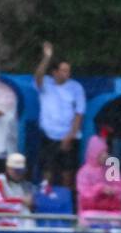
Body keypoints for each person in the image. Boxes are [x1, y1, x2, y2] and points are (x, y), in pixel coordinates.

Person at [32, 44, 83, 188]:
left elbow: (79, 113)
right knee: (47, 170)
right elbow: (38, 76)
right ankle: (46, 200)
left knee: (68, 172)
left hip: (69, 137)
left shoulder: (76, 87)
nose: (67, 74)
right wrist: (47, 57)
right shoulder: (46, 84)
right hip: (49, 136)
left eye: (68, 71)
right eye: (63, 70)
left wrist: (70, 136)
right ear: (54, 72)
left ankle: (65, 202)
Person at [76, 134, 121, 220]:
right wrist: (100, 189)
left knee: (118, 218)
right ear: (94, 153)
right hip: (90, 208)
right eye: (102, 153)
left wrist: (112, 190)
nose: (105, 155)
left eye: (106, 152)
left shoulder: (111, 168)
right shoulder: (84, 172)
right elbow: (84, 193)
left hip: (111, 208)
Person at [0, 153, 33, 227]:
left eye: (21, 171)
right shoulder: (0, 181)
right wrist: (21, 200)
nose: (19, 174)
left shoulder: (24, 185)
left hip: (20, 228)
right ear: (8, 169)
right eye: (16, 170)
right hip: (0, 228)